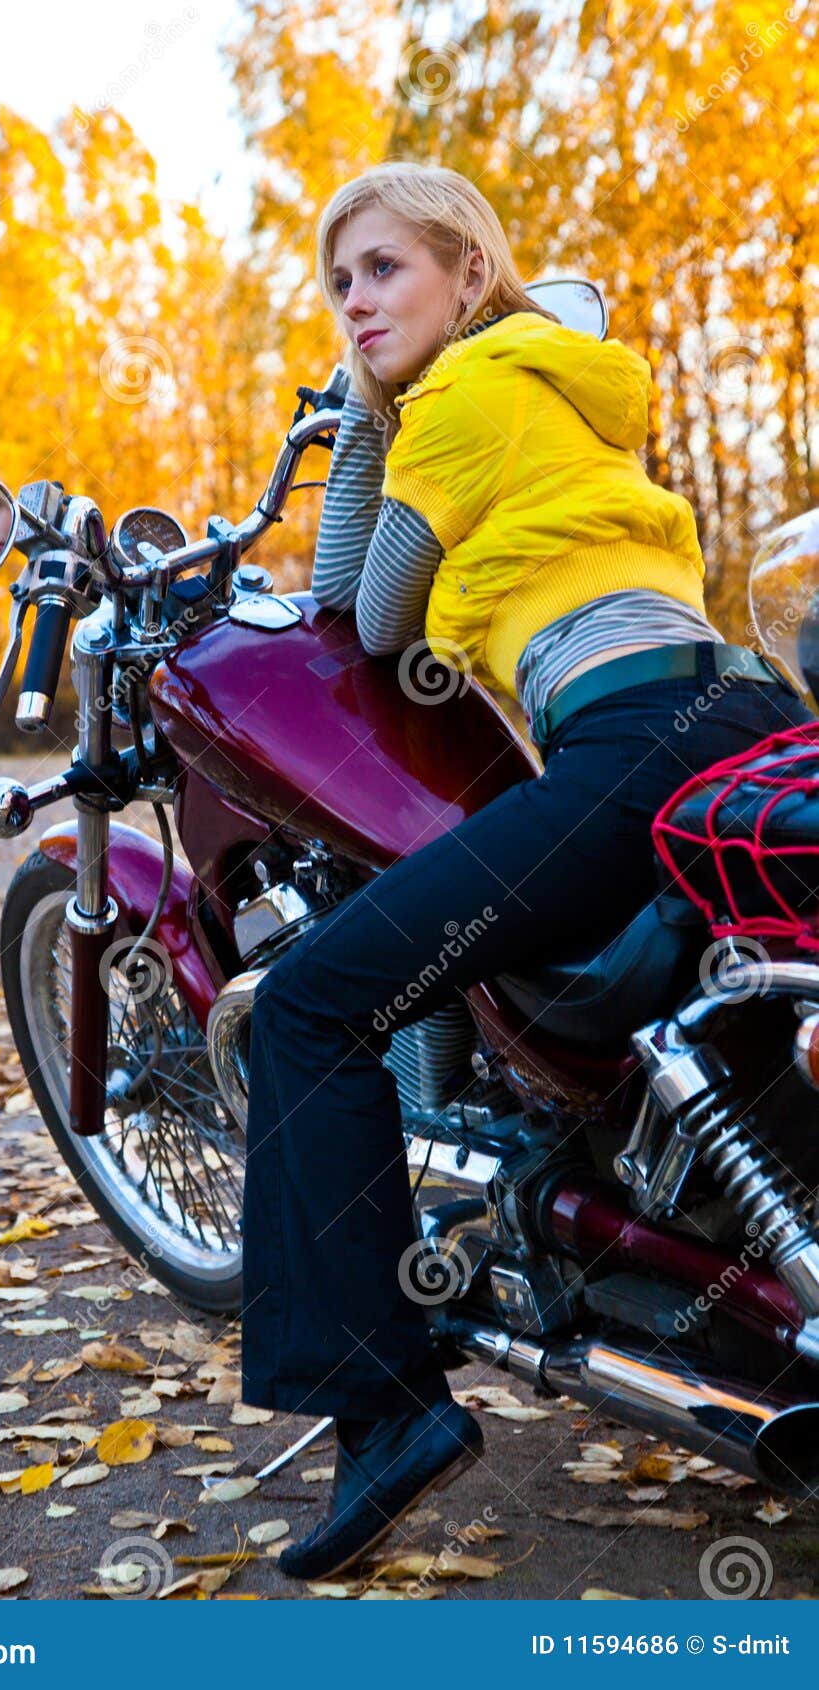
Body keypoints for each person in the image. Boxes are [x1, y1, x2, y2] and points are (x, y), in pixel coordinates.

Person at [238, 161, 815, 1582]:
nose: (355, 301)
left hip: (632, 738)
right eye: (337, 283)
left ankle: (387, 1412)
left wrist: (362, 425)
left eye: (384, 269)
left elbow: (366, 617)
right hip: (736, 711)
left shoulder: (462, 400)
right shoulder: (562, 386)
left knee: (312, 1002)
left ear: (472, 273)